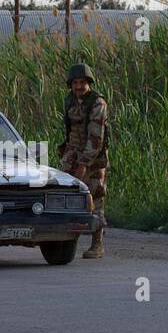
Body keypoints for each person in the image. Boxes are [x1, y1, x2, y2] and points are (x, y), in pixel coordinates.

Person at [58, 62, 109, 259]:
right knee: (69, 199)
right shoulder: (70, 100)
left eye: (83, 83)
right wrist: (67, 158)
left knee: (94, 199)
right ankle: (69, 241)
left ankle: (97, 244)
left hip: (93, 159)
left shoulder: (97, 104)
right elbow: (71, 132)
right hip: (72, 155)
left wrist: (83, 165)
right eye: (76, 83)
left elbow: (96, 139)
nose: (79, 87)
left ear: (89, 83)